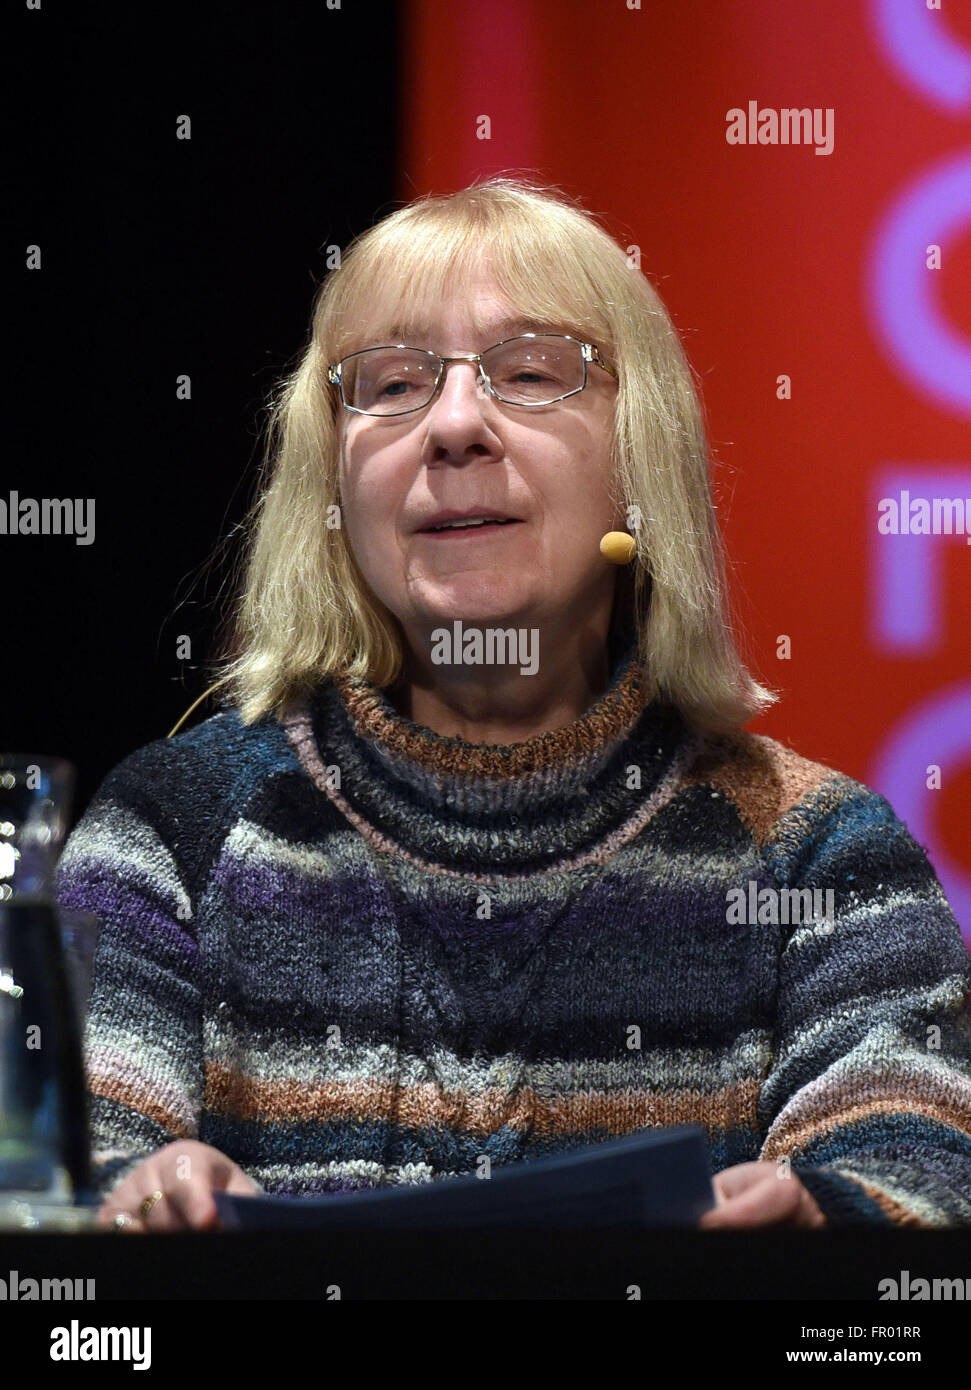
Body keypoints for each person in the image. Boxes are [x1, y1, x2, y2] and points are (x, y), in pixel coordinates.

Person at [55, 176, 971, 1234]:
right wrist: (132, 1200)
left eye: (531, 372)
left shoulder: (817, 855)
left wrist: (820, 1225)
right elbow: (67, 1167)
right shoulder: (172, 830)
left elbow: (917, 1174)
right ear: (331, 484)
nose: (453, 426)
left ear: (641, 461)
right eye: (391, 384)